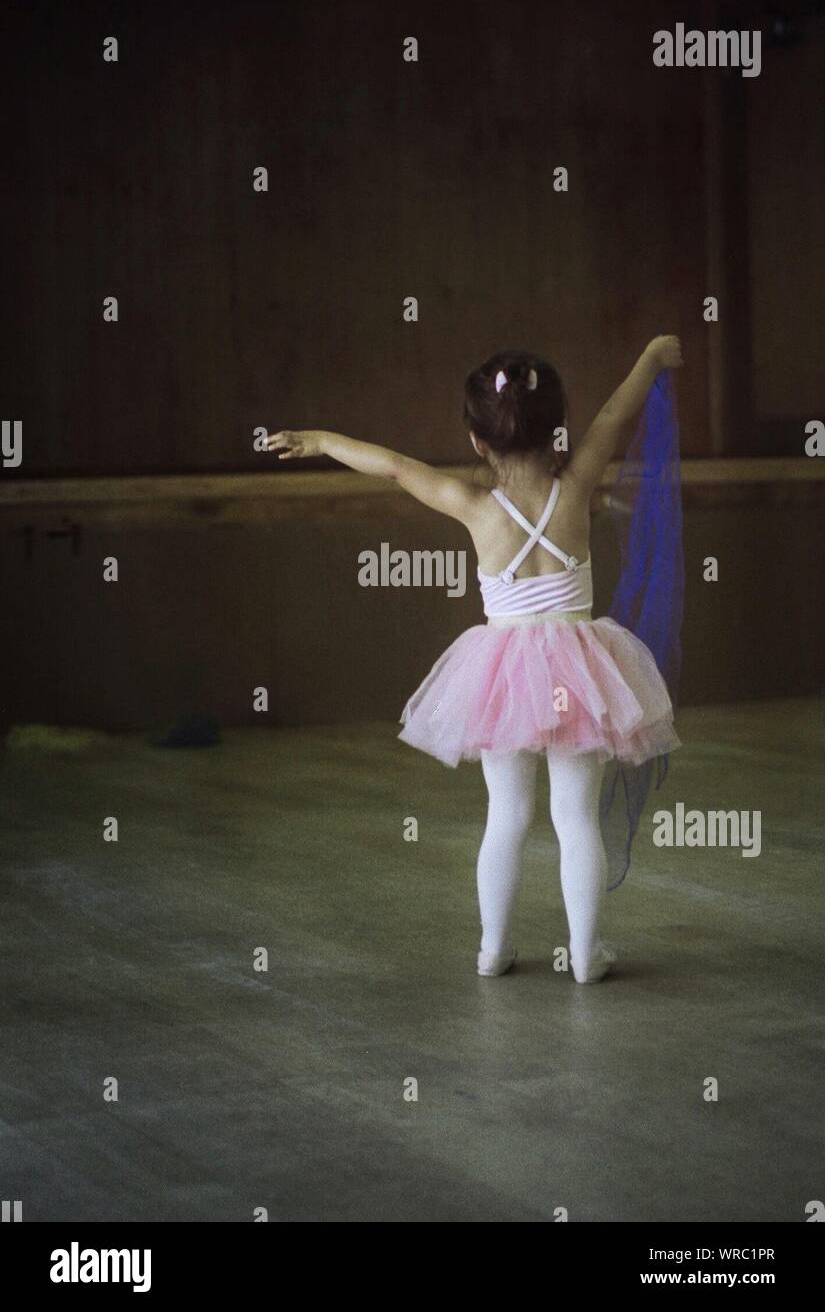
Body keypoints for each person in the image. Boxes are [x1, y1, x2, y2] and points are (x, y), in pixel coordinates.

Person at [267, 336, 683, 984]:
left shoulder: (472, 505)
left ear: (476, 441)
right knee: (573, 818)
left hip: (504, 673)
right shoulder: (577, 485)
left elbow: (396, 467)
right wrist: (652, 357)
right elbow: (613, 416)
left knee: (507, 816)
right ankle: (583, 955)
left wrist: (320, 439)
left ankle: (492, 948)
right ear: (556, 432)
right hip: (579, 668)